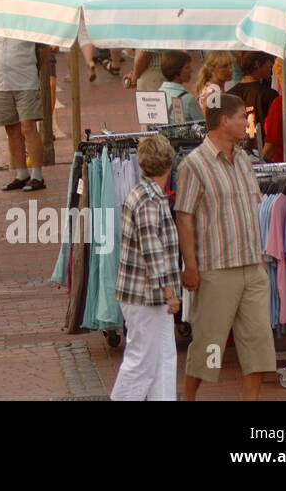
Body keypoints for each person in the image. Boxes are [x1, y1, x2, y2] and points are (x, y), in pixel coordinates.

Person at [176, 94, 276, 400]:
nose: (247, 125)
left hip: (251, 265)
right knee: (210, 345)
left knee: (258, 341)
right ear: (223, 121)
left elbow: (251, 208)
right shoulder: (194, 164)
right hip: (216, 269)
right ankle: (189, 398)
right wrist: (190, 267)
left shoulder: (244, 158)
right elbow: (184, 216)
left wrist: (258, 256)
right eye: (241, 119)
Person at [111, 135, 182, 401]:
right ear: (169, 165)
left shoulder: (142, 193)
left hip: (143, 294)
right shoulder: (151, 199)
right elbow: (153, 249)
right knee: (142, 360)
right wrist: (169, 292)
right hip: (146, 296)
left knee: (162, 358)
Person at [0, 35, 46, 192]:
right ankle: (21, 173)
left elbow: (43, 50)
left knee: (28, 127)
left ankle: (37, 175)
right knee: (11, 129)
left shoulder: (27, 16)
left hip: (26, 80)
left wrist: (33, 69)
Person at [227, 52, 277, 144]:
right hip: (263, 150)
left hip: (238, 150)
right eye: (268, 63)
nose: (271, 67)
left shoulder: (229, 95)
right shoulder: (269, 95)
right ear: (257, 64)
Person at [159, 51, 204, 123]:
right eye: (187, 67)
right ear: (176, 72)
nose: (191, 70)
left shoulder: (158, 94)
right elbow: (203, 125)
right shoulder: (189, 99)